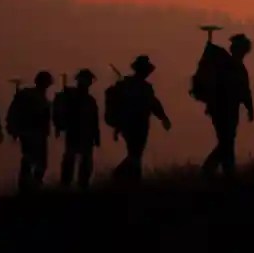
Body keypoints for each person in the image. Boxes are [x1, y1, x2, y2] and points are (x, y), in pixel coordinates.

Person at [202, 34, 254, 183]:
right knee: (227, 141)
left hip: (220, 109)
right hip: (226, 110)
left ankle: (226, 171)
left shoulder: (226, 66)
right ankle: (213, 169)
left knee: (226, 140)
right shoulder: (235, 68)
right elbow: (244, 91)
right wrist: (250, 109)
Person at [111, 55, 171, 185]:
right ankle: (124, 176)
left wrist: (164, 118)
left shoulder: (142, 87)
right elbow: (123, 106)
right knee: (135, 153)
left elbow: (154, 104)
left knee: (136, 153)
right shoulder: (133, 86)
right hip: (132, 125)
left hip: (139, 126)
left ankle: (128, 178)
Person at [8, 71, 54, 195]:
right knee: (30, 160)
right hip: (30, 133)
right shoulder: (29, 96)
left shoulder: (38, 96)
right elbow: (15, 112)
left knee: (37, 161)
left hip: (37, 133)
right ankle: (27, 186)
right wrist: (14, 129)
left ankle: (33, 185)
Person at [58, 69, 101, 190]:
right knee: (71, 159)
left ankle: (81, 185)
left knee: (84, 162)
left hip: (86, 134)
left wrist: (96, 135)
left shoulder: (89, 100)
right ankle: (67, 184)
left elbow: (94, 119)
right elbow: (62, 113)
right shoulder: (70, 97)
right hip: (74, 132)